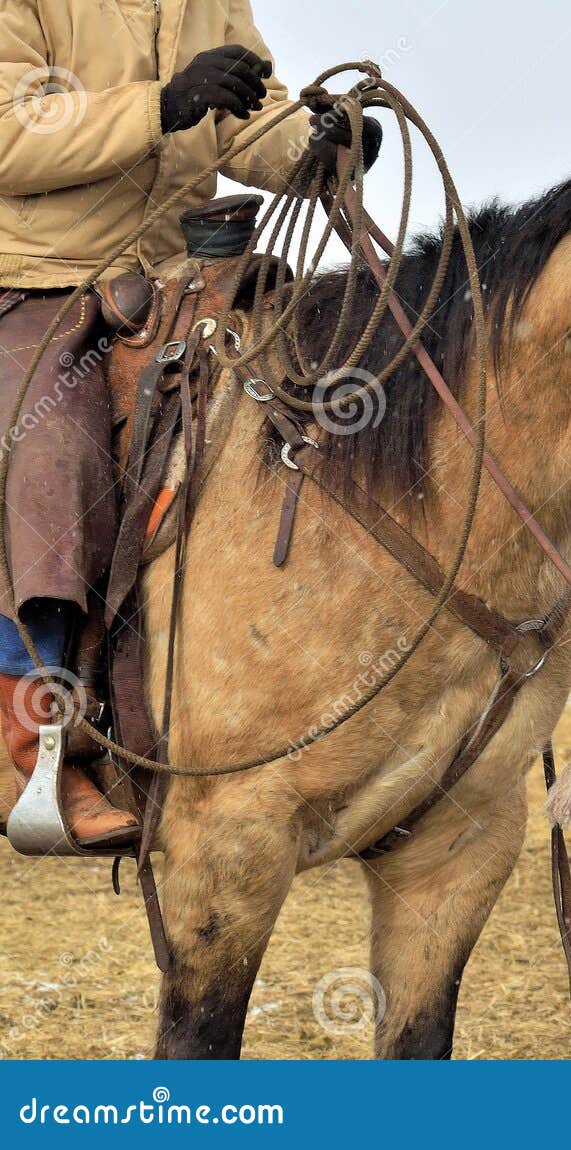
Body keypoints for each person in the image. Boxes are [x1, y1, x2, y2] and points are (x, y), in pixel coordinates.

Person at [0, 2, 380, 847]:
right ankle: (34, 747)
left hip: (183, 272)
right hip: (39, 275)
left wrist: (321, 150)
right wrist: (156, 107)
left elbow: (251, 111)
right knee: (50, 455)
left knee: (329, 387)